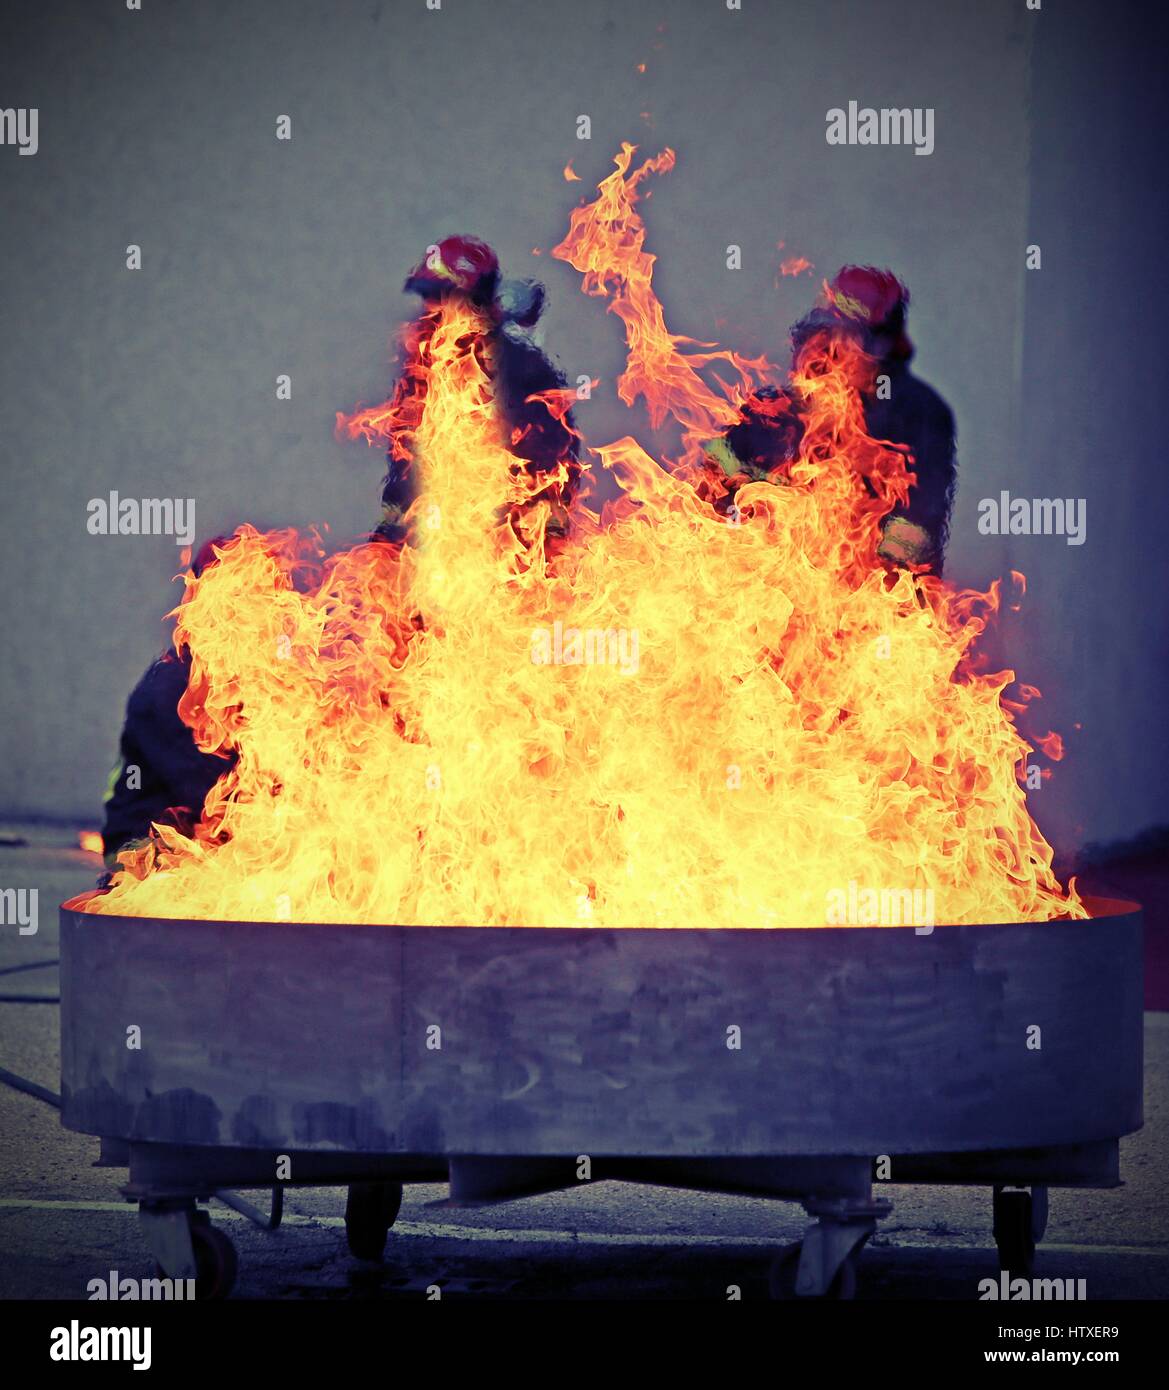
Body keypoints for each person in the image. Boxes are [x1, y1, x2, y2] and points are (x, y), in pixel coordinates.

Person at [706, 266, 958, 574]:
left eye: (847, 341)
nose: (826, 356)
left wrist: (840, 569)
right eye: (821, 339)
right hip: (764, 595)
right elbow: (711, 493)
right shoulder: (767, 412)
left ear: (881, 350)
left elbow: (916, 535)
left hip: (865, 603)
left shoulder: (920, 417)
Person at [376, 234, 582, 545]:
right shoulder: (421, 375)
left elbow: (554, 466)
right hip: (441, 546)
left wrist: (545, 531)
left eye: (439, 296)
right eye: (427, 298)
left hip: (506, 549)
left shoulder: (525, 374)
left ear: (474, 302)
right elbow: (405, 460)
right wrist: (390, 529)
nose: (430, 309)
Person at [99, 537, 237, 878]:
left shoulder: (244, 681)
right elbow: (213, 796)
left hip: (206, 838)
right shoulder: (172, 688)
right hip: (142, 845)